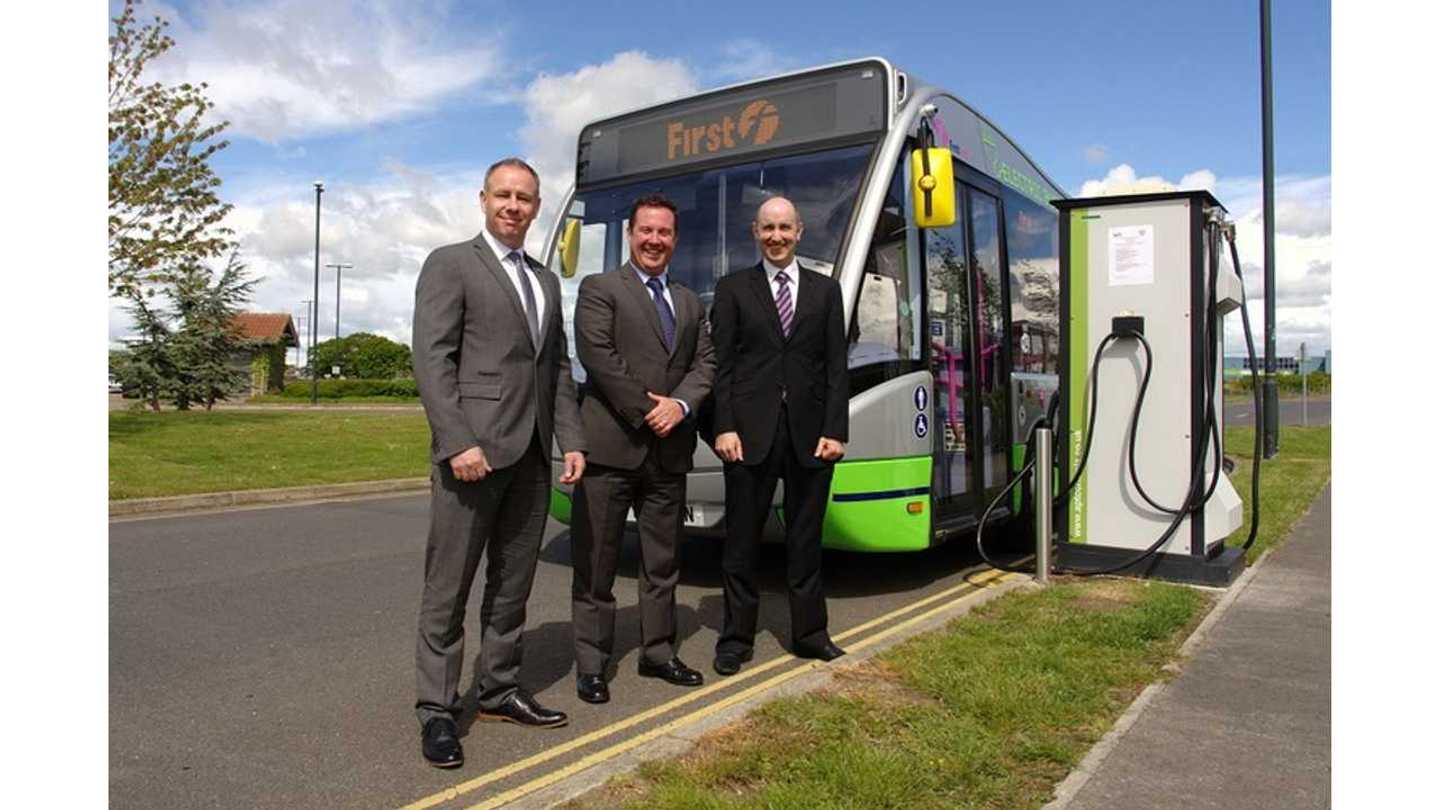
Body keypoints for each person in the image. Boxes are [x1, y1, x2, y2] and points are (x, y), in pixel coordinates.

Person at [411, 157, 587, 769]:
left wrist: (573, 440)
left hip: (534, 456)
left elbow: (557, 367)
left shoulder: (546, 280)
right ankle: (436, 709)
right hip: (473, 456)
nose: (514, 206)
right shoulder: (451, 263)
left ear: (537, 208)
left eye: (525, 198)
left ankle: (497, 690)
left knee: (512, 586)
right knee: (449, 587)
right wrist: (457, 441)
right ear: (483, 199)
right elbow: (432, 359)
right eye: (504, 196)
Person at [569, 194, 716, 704]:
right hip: (611, 451)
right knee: (596, 566)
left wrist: (679, 406)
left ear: (676, 239)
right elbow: (598, 356)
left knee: (662, 564)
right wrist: (647, 409)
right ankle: (592, 664)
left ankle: (658, 653)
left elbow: (706, 365)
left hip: (669, 455)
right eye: (646, 231)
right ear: (631, 233)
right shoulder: (599, 288)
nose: (655, 240)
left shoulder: (691, 300)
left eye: (665, 232)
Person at [709, 195, 848, 677]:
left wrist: (836, 429)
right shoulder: (731, 289)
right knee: (741, 543)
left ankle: (810, 635)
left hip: (811, 436)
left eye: (784, 228)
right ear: (755, 232)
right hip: (747, 436)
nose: (776, 237)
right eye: (768, 228)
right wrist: (722, 426)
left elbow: (836, 367)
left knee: (806, 542)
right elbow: (721, 367)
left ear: (799, 232)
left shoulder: (826, 292)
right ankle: (735, 640)